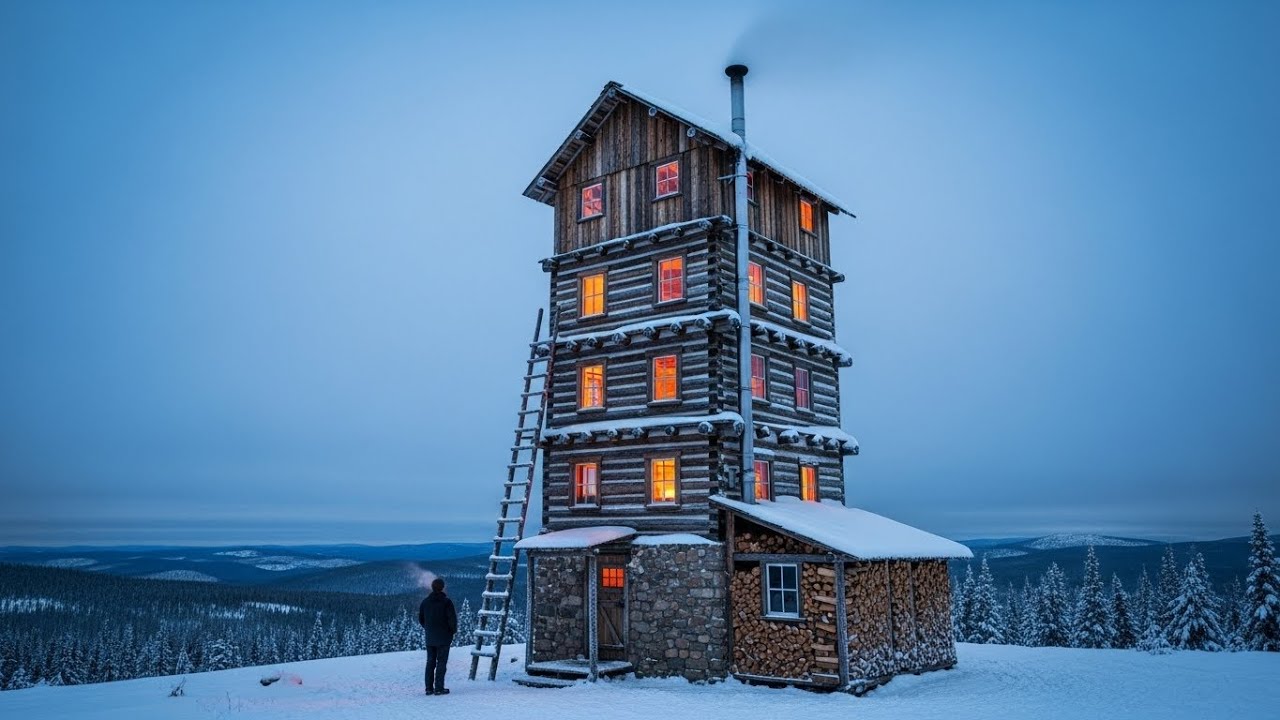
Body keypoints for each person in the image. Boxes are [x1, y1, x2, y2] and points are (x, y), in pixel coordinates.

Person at [417, 576, 457, 695]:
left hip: (430, 638)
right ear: (442, 588)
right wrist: (452, 632)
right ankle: (439, 688)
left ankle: (428, 688)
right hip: (444, 637)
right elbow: (452, 620)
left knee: (430, 662)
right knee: (441, 662)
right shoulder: (447, 602)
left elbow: (421, 619)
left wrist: (428, 629)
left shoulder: (425, 602)